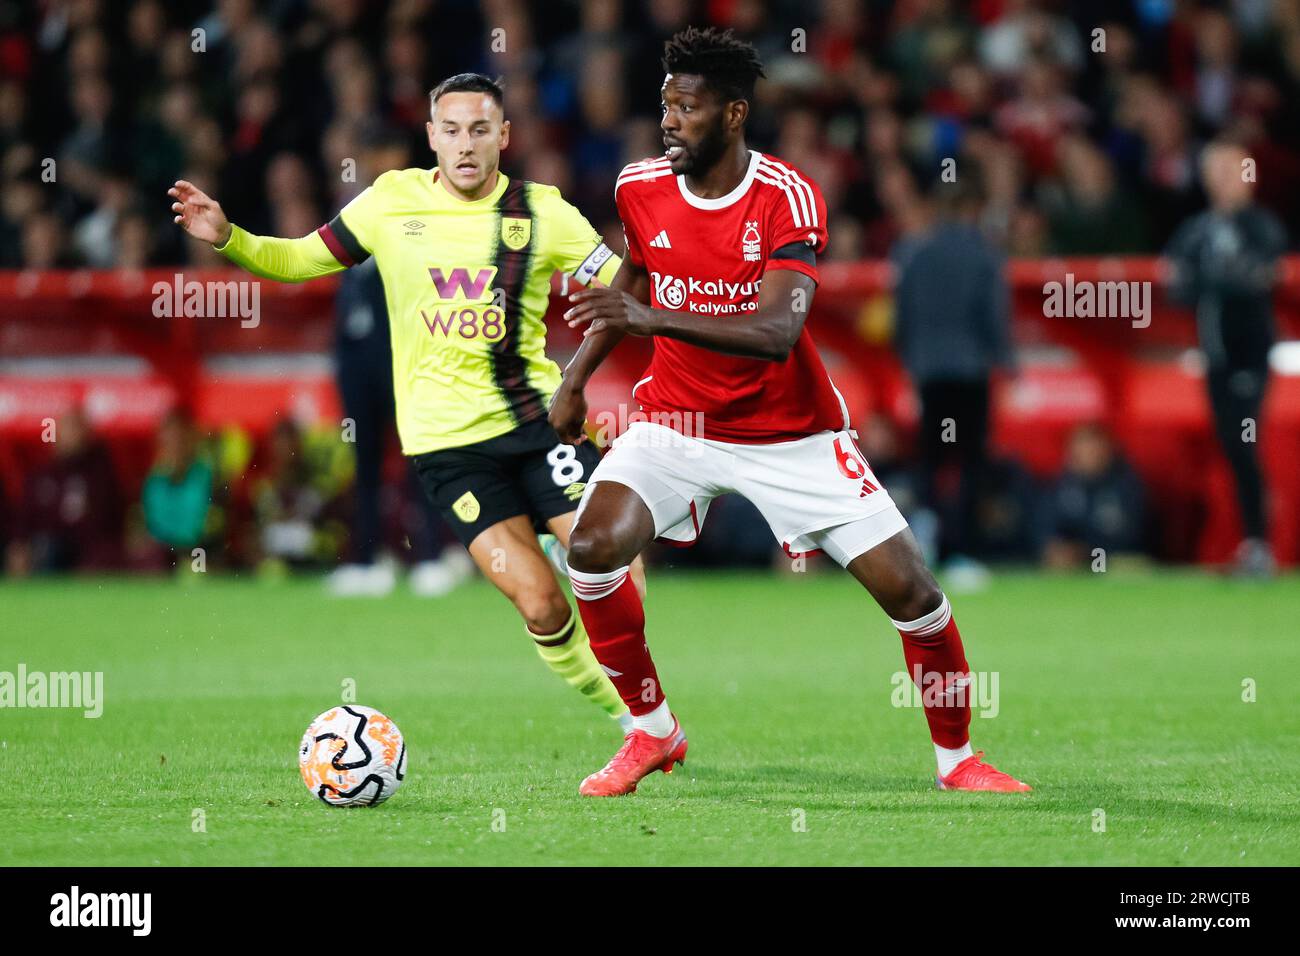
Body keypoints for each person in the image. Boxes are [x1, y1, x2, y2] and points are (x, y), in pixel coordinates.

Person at [551, 27, 1029, 796]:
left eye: (688, 107)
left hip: (789, 432)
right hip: (676, 420)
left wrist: (652, 322)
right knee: (594, 549)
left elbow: (777, 334)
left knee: (914, 594)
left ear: (734, 114)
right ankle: (651, 732)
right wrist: (577, 379)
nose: (669, 120)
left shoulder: (785, 198)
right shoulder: (639, 186)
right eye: (665, 105)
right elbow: (632, 284)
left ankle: (959, 761)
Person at [169, 73, 637, 736]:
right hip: (448, 450)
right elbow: (303, 260)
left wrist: (595, 361)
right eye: (451, 130)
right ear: (431, 138)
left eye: (480, 130)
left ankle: (644, 700)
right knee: (540, 605)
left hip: (540, 427)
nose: (466, 144)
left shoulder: (544, 213)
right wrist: (228, 237)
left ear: (504, 136)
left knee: (611, 562)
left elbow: (626, 292)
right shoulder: (391, 202)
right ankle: (628, 716)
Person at [1165, 140, 1286, 577]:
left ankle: (1259, 545)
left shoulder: (1259, 225)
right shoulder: (1198, 228)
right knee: (1232, 449)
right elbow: (1174, 282)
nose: (1221, 180)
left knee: (1243, 444)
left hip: (1248, 353)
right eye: (1213, 171)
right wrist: (1215, 278)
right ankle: (1251, 544)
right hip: (1214, 356)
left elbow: (1259, 276)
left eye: (1230, 170)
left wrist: (1210, 277)